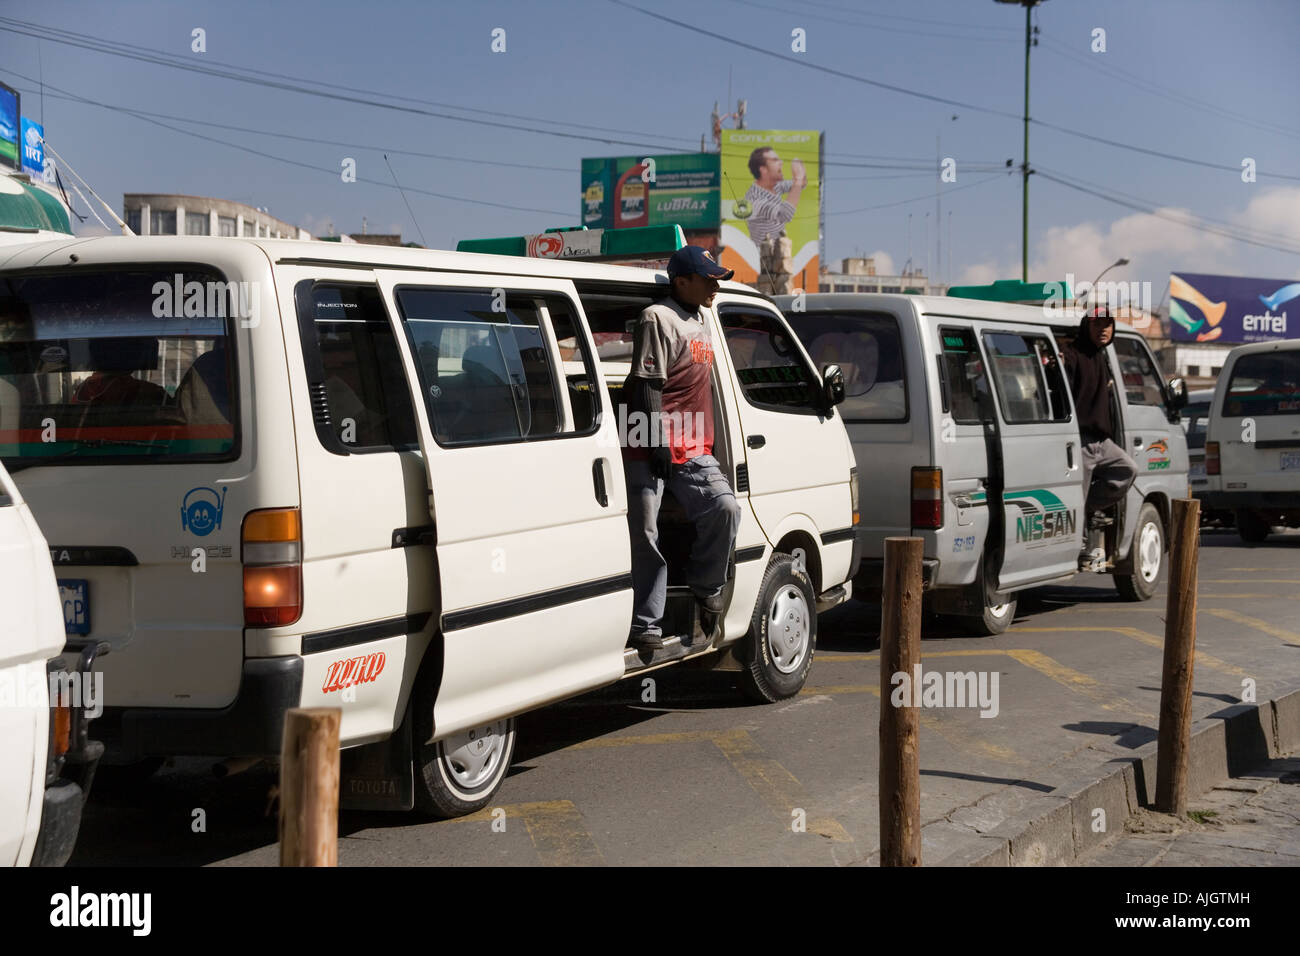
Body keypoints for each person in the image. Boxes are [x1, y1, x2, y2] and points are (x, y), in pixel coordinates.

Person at [624, 245, 742, 650]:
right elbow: (648, 384)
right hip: (648, 441)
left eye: (716, 279)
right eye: (708, 279)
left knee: (725, 508)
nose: (715, 286)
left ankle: (706, 586)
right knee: (646, 534)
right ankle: (646, 625)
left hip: (692, 444)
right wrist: (656, 442)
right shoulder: (657, 318)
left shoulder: (703, 318)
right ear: (681, 282)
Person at [1060, 305, 1138, 530]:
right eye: (1097, 324)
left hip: (1102, 443)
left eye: (1107, 324)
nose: (1103, 329)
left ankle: (1086, 508)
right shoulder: (1072, 354)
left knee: (1128, 470)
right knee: (1078, 495)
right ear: (1086, 326)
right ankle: (1079, 545)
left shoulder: (1102, 358)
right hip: (1079, 442)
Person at [742, 147, 806, 246]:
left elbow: (802, 184)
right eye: (775, 160)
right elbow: (784, 214)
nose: (781, 162)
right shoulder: (754, 199)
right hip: (764, 257)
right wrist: (798, 179)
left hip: (780, 251)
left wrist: (799, 170)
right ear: (763, 169)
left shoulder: (775, 186)